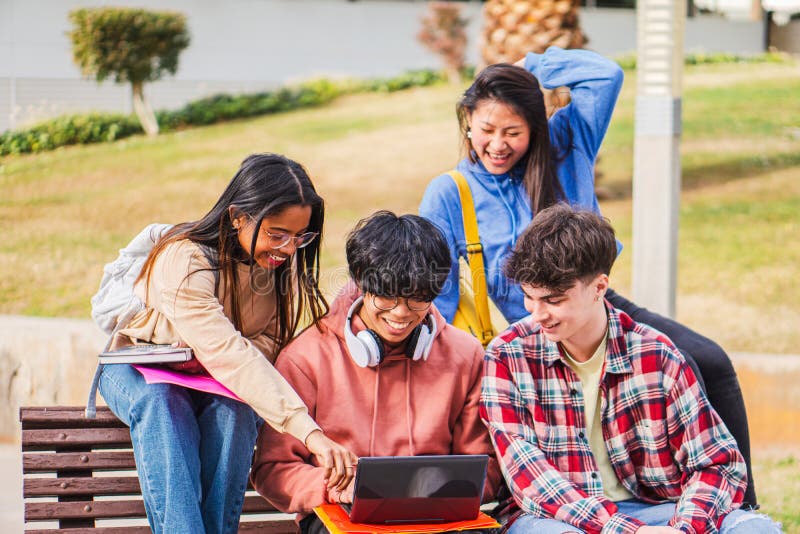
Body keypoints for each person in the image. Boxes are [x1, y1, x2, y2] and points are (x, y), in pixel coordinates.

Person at [418, 46, 757, 507]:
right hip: (536, 323)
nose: (498, 144)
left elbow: (605, 75)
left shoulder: (565, 145)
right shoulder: (449, 192)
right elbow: (433, 289)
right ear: (467, 124)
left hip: (599, 305)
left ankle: (736, 506)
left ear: (535, 130)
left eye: (513, 132)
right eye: (486, 130)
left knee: (708, 360)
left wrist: (529, 67)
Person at [481, 204, 779, 534]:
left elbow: (716, 463)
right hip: (553, 517)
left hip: (659, 511)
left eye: (553, 300)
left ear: (599, 287)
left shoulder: (656, 353)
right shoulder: (507, 356)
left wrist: (684, 528)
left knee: (753, 529)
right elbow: (530, 477)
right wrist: (625, 531)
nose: (536, 314)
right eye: (528, 297)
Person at [98, 153, 357, 534]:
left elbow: (267, 345)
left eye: (299, 236)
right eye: (276, 234)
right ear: (238, 216)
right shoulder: (184, 259)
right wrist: (311, 433)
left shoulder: (273, 270)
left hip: (208, 380)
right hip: (137, 370)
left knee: (235, 411)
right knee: (163, 404)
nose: (287, 249)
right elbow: (229, 352)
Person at [250, 211, 503, 534]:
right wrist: (335, 487)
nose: (401, 313)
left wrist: (436, 492)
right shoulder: (306, 357)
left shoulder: (465, 355)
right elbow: (274, 470)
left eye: (417, 300)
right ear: (361, 282)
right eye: (386, 297)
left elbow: (486, 467)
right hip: (342, 517)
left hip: (442, 522)